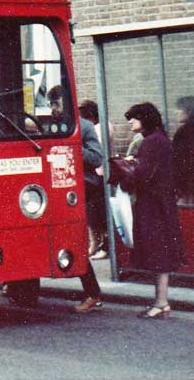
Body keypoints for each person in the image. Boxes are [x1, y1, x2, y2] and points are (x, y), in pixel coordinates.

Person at [120, 102, 186, 319]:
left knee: (157, 251)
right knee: (160, 251)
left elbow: (142, 175)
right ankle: (161, 302)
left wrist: (125, 174)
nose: (130, 121)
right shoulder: (160, 139)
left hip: (153, 204)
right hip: (162, 202)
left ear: (145, 119)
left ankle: (161, 302)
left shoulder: (150, 142)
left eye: (134, 117)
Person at [73, 103, 106, 313]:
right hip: (53, 185)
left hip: (81, 185)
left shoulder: (84, 126)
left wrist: (72, 146)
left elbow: (96, 157)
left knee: (75, 238)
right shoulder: (47, 125)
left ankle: (93, 293)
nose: (54, 109)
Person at [78, 100, 109, 259]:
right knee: (94, 215)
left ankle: (97, 244)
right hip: (98, 175)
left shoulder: (92, 128)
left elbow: (97, 156)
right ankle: (95, 244)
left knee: (95, 216)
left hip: (96, 176)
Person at [172, 96, 194, 205]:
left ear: (189, 110)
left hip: (192, 187)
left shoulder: (189, 133)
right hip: (189, 186)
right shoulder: (184, 131)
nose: (176, 112)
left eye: (179, 109)